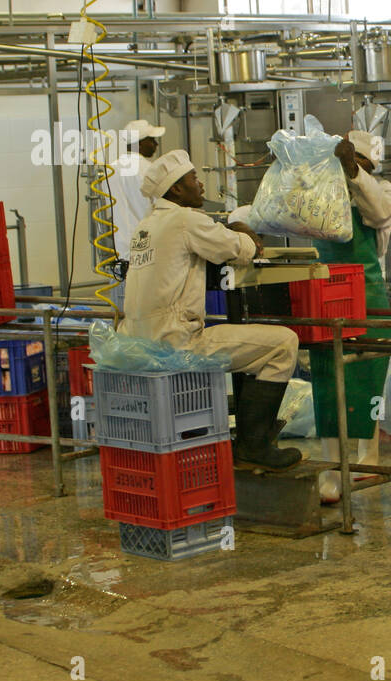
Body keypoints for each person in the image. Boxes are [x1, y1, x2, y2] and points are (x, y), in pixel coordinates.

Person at [119, 149, 302, 471]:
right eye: (193, 179)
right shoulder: (186, 220)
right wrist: (243, 230)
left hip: (139, 343)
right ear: (176, 189)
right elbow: (242, 250)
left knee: (251, 348)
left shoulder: (146, 226)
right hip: (176, 344)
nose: (200, 185)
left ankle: (247, 433)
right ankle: (254, 445)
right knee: (283, 343)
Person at [310, 129, 391, 504]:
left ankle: (370, 455)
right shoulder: (323, 194)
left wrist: (354, 173)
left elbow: (378, 211)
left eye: (357, 162)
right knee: (328, 377)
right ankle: (332, 467)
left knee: (370, 376)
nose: (347, 168)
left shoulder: (383, 191)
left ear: (368, 165)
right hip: (326, 291)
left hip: (366, 291)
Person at [108, 119, 166, 260]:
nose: (156, 144)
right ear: (139, 144)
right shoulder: (150, 169)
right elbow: (164, 208)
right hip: (148, 246)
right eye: (151, 140)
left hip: (119, 248)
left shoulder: (111, 169)